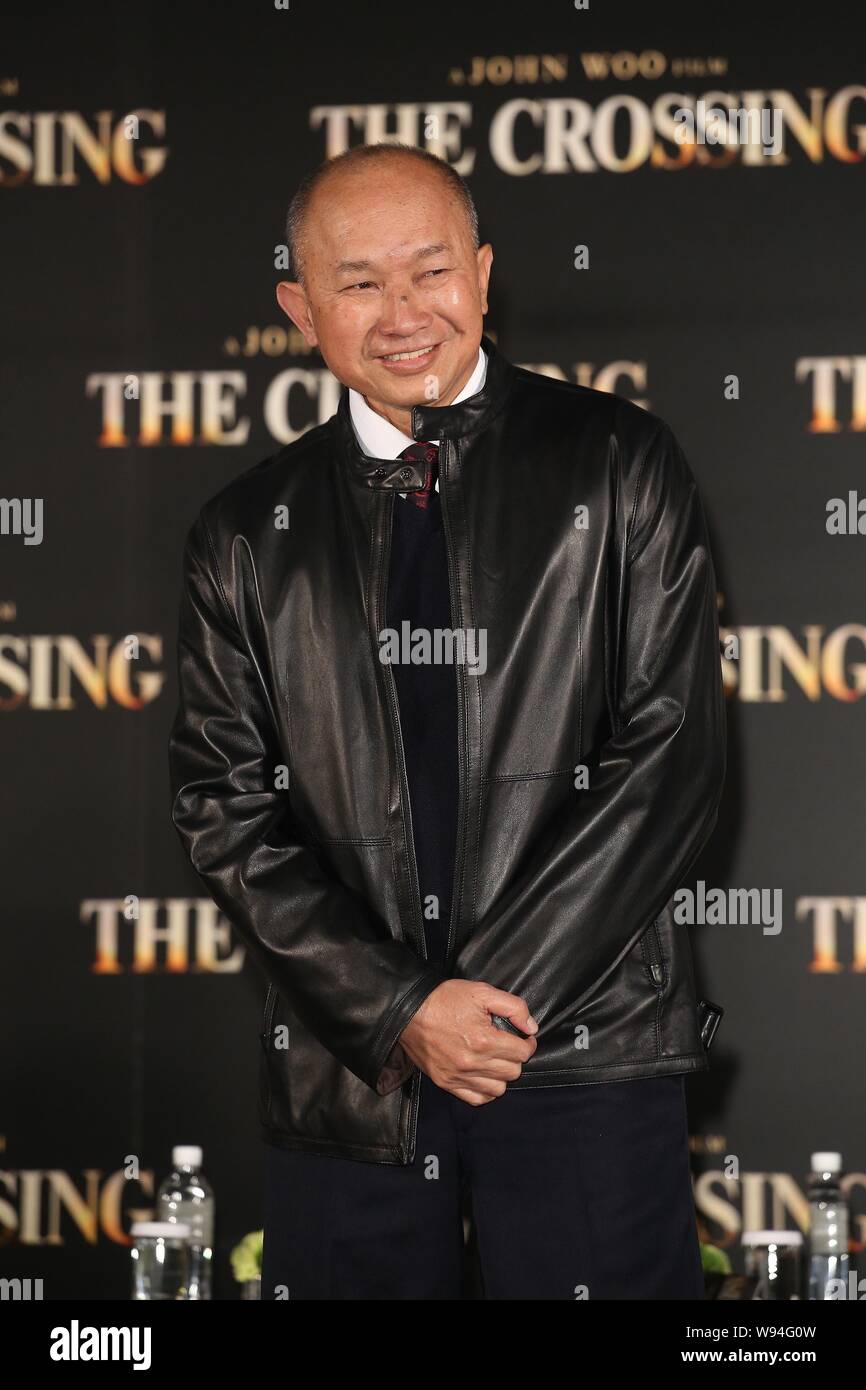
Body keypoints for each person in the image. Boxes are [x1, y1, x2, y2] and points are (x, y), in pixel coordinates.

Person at [168, 142, 726, 1300]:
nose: (401, 312)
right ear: (299, 306)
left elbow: (669, 755)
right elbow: (223, 807)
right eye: (358, 281)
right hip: (354, 1081)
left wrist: (482, 1010)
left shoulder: (618, 463)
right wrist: (399, 1010)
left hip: (583, 1057)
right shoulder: (242, 533)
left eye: (429, 271)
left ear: (481, 274)